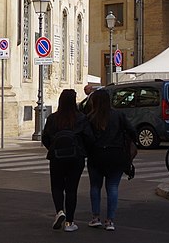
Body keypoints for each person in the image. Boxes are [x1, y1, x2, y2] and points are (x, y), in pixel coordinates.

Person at [85, 88, 137, 231]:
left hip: (96, 156)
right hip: (116, 155)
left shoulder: (90, 117)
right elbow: (132, 132)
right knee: (112, 187)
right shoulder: (119, 115)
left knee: (95, 187)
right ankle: (110, 221)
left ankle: (95, 217)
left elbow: (86, 138)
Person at [42, 89, 92, 232]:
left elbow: (45, 137)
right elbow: (88, 137)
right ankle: (70, 222)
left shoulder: (53, 118)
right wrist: (84, 151)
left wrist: (53, 149)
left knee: (57, 186)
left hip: (57, 157)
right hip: (76, 158)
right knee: (71, 189)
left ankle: (59, 211)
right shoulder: (81, 118)